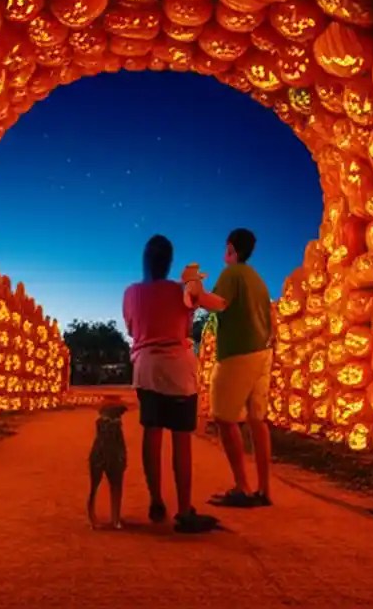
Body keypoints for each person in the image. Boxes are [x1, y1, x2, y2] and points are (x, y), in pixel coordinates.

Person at [122, 235, 219, 533]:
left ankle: (155, 499)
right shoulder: (181, 291)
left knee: (152, 433)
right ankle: (184, 508)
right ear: (169, 261)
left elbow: (130, 328)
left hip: (147, 369)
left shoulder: (131, 293)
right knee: (181, 439)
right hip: (178, 370)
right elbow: (205, 308)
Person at [190, 228, 273, 508]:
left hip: (238, 354)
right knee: (257, 420)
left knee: (225, 419)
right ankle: (264, 488)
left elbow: (217, 304)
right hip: (262, 352)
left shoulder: (232, 274)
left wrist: (195, 289)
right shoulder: (258, 280)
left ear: (231, 248)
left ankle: (242, 487)